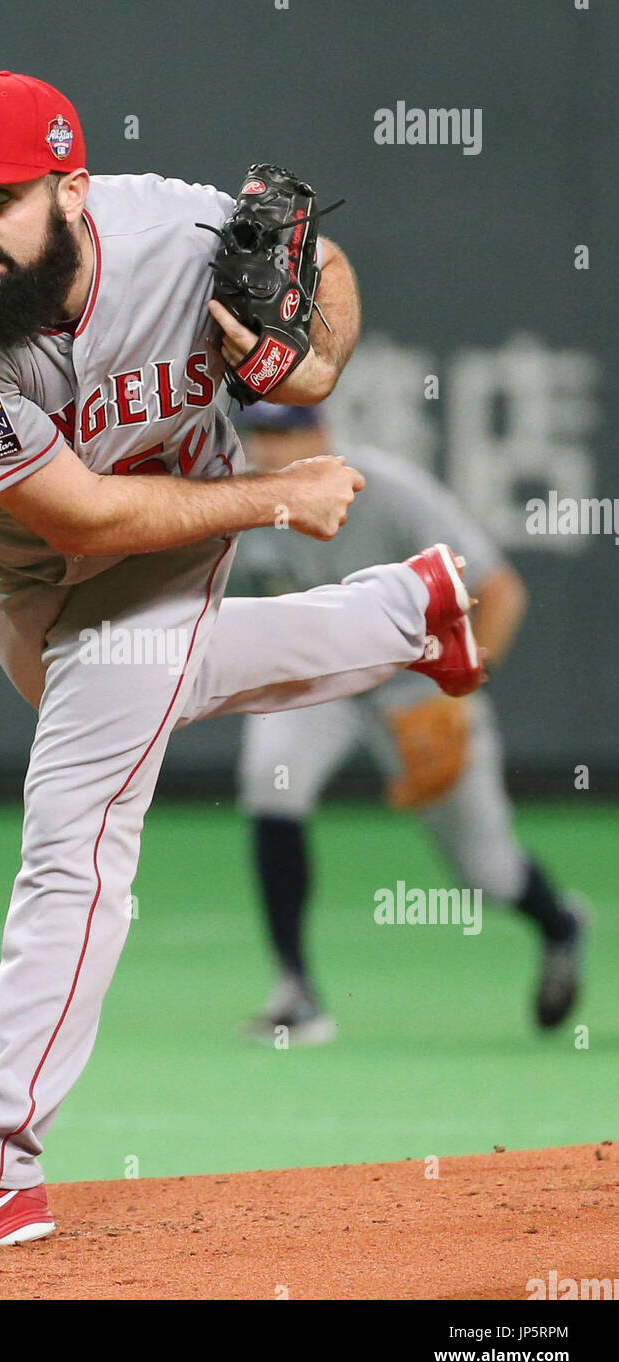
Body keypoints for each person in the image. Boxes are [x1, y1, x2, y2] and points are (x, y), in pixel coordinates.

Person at [0, 71, 484, 1254]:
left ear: (71, 190)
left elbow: (321, 270)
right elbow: (76, 519)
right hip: (29, 565)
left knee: (76, 815)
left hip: (170, 528)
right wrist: (277, 494)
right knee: (142, 687)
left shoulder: (174, 235)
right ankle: (409, 614)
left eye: (0, 195)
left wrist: (317, 368)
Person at [232, 402, 585, 1046]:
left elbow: (502, 593)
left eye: (283, 433)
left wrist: (458, 695)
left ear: (323, 436)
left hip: (415, 685)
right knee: (270, 780)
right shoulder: (240, 498)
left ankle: (560, 924)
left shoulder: (387, 491)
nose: (266, 448)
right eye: (257, 432)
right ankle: (296, 989)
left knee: (487, 871)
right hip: (318, 684)